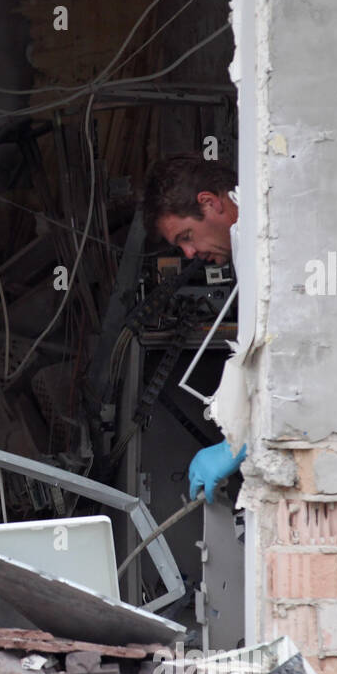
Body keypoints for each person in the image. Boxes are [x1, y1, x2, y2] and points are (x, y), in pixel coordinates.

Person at [142, 153, 246, 503]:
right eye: (180, 246)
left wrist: (244, 444)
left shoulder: (281, 244)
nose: (189, 254)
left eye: (187, 235)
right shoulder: (248, 253)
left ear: (210, 203)